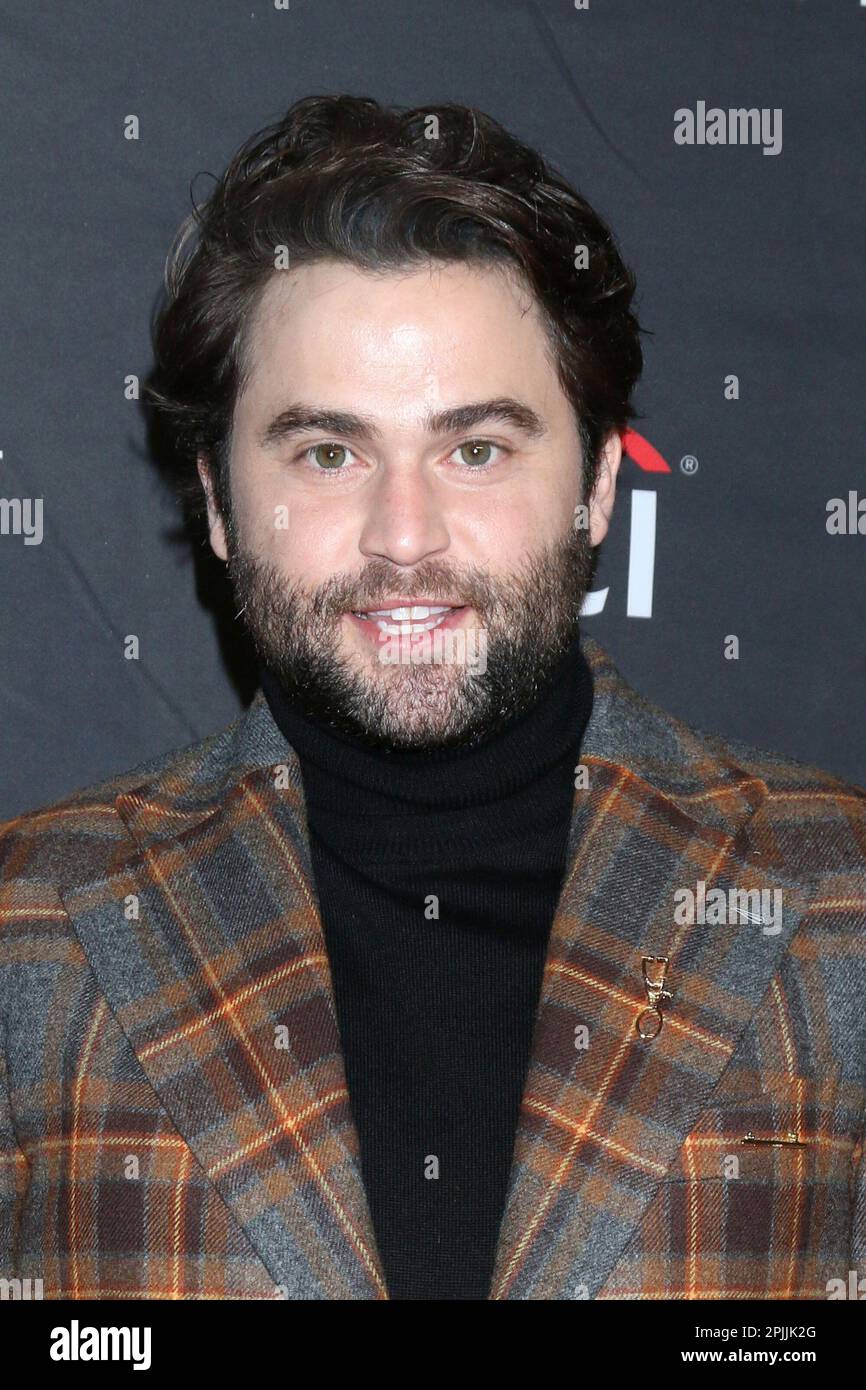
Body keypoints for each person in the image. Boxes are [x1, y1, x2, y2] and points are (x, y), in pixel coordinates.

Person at [1, 95, 864, 1302]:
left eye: (475, 450)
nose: (403, 538)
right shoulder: (26, 924)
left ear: (601, 483)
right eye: (327, 452)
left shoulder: (835, 903)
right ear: (214, 499)